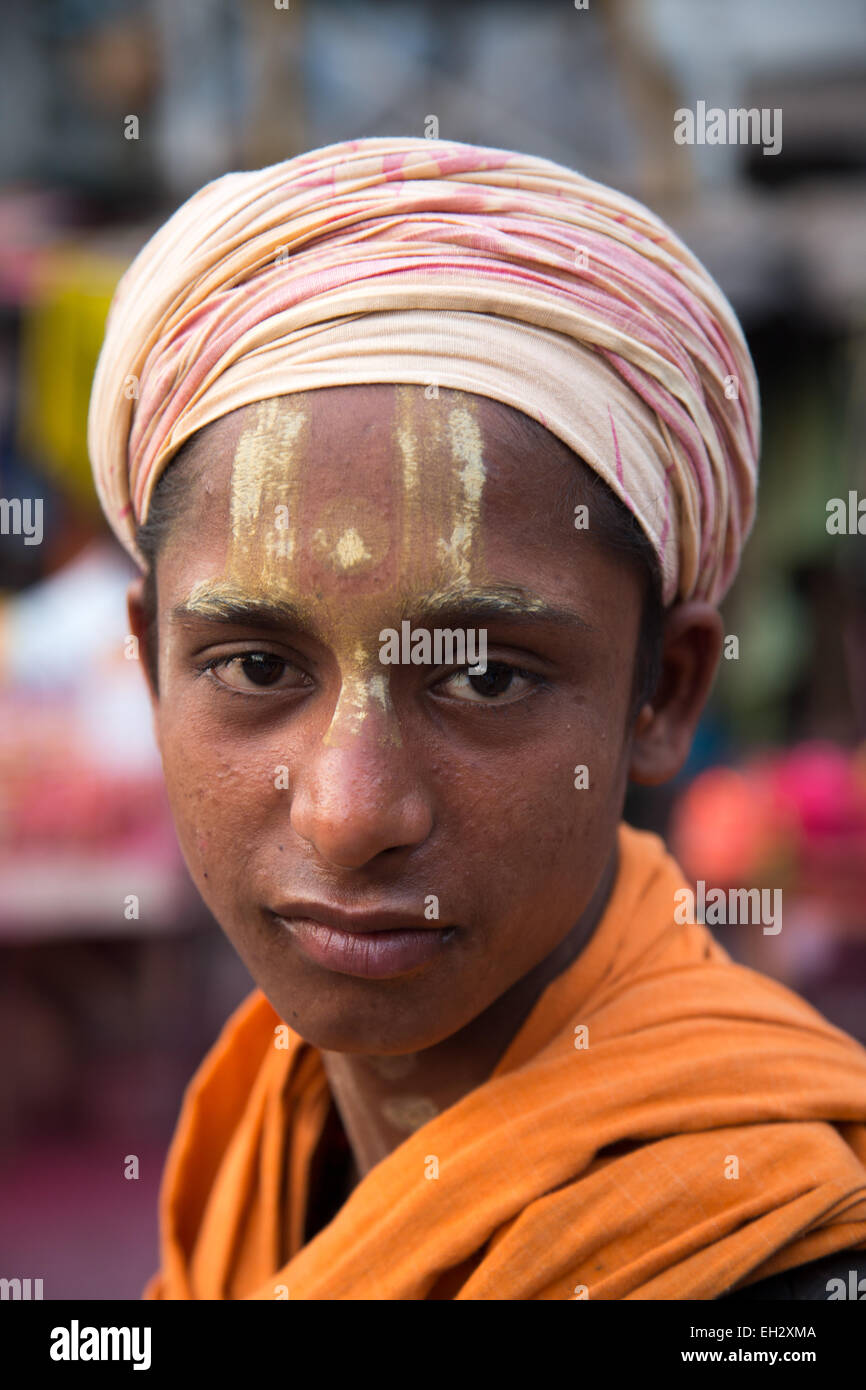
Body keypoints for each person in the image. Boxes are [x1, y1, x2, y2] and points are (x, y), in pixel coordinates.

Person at [87, 137, 866, 1301]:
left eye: (485, 678)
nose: (351, 816)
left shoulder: (772, 1258)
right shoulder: (261, 1133)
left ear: (663, 693)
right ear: (151, 664)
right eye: (255, 664)